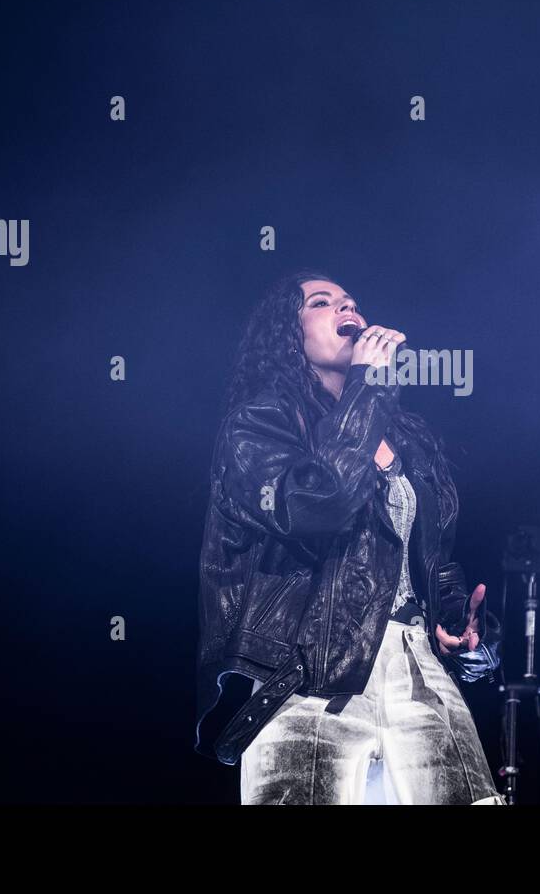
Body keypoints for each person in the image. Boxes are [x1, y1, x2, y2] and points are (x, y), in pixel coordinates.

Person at [193, 269, 505, 804]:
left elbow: (427, 562)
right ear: (289, 337)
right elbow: (316, 505)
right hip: (304, 675)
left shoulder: (409, 438)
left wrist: (459, 623)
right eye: (321, 302)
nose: (346, 309)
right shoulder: (259, 425)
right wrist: (367, 388)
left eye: (350, 301)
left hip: (416, 665)